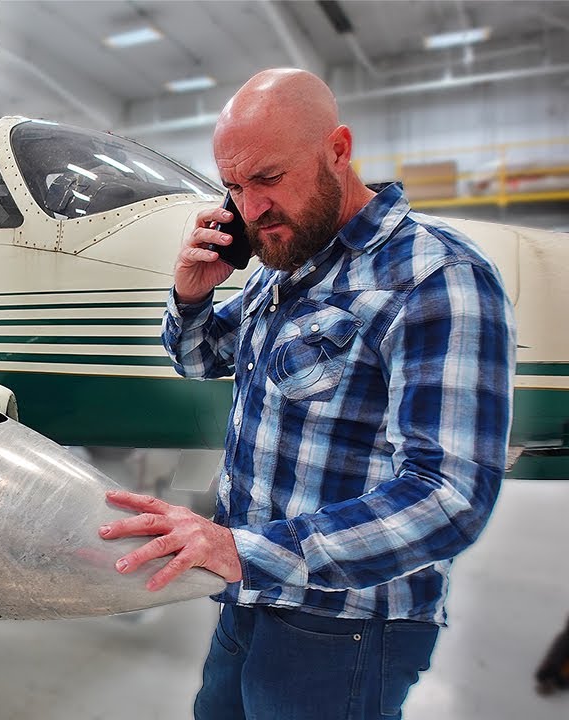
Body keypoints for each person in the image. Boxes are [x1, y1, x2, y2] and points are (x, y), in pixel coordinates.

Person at [96, 68, 515, 719]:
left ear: (338, 151)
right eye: (233, 186)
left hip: (344, 627)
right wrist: (191, 293)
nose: (251, 208)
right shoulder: (282, 264)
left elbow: (450, 496)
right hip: (249, 598)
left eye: (266, 178)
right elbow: (198, 358)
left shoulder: (436, 279)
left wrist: (242, 550)